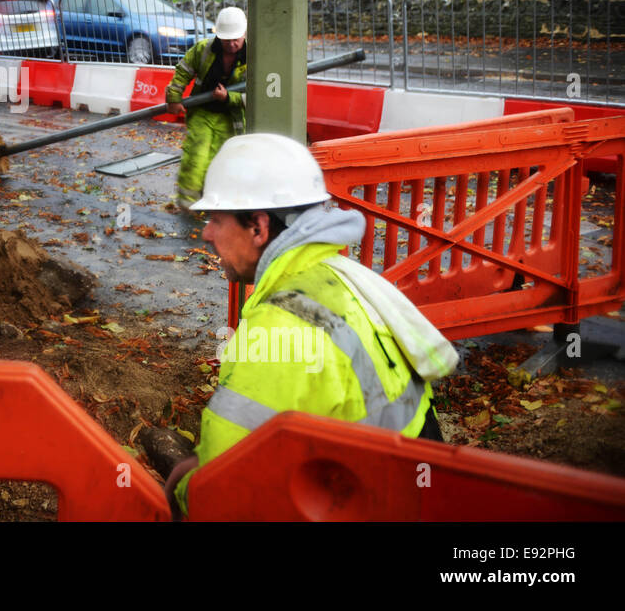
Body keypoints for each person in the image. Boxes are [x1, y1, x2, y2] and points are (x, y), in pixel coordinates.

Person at [164, 134, 457, 519]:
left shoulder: (280, 326)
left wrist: (181, 493)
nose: (206, 233)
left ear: (258, 227)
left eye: (216, 219)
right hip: (409, 490)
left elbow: (224, 486)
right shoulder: (340, 280)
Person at [166, 6, 247, 214]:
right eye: (226, 39)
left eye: (236, 38)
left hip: (230, 117)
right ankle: (188, 204)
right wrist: (174, 98)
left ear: (245, 33)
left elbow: (256, 95)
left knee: (218, 161)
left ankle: (211, 201)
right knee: (196, 156)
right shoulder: (203, 50)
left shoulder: (254, 58)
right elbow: (182, 72)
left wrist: (229, 97)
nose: (232, 44)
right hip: (203, 112)